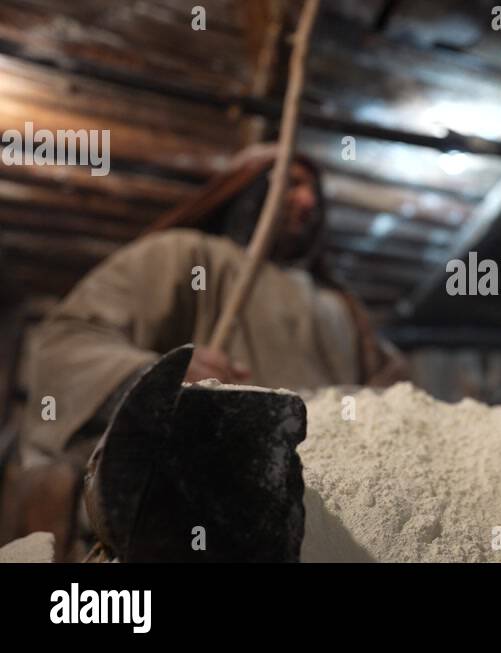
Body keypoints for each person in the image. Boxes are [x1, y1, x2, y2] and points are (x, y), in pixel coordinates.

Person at [1, 143, 407, 559]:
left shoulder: (340, 307)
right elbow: (68, 340)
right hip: (196, 512)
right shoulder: (184, 254)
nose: (307, 201)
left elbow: (396, 389)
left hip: (327, 518)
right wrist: (162, 374)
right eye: (291, 183)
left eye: (314, 192)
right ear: (245, 190)